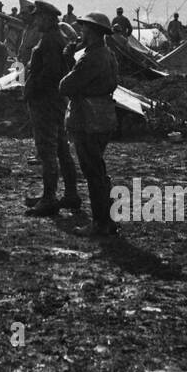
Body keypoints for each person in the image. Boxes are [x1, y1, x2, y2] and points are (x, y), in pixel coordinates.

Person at [60, 12, 120, 236]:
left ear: (93, 33)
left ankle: (100, 223)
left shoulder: (90, 58)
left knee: (93, 172)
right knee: (99, 170)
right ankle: (108, 220)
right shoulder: (109, 55)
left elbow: (65, 87)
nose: (81, 33)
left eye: (85, 29)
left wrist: (68, 60)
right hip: (103, 117)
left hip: (86, 119)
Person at [23, 1, 80, 217]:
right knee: (61, 149)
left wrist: (32, 90)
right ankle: (70, 194)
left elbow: (50, 73)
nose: (35, 21)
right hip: (54, 100)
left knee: (47, 150)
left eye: (38, 17)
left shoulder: (49, 40)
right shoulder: (56, 38)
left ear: (47, 18)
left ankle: (49, 198)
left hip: (45, 102)